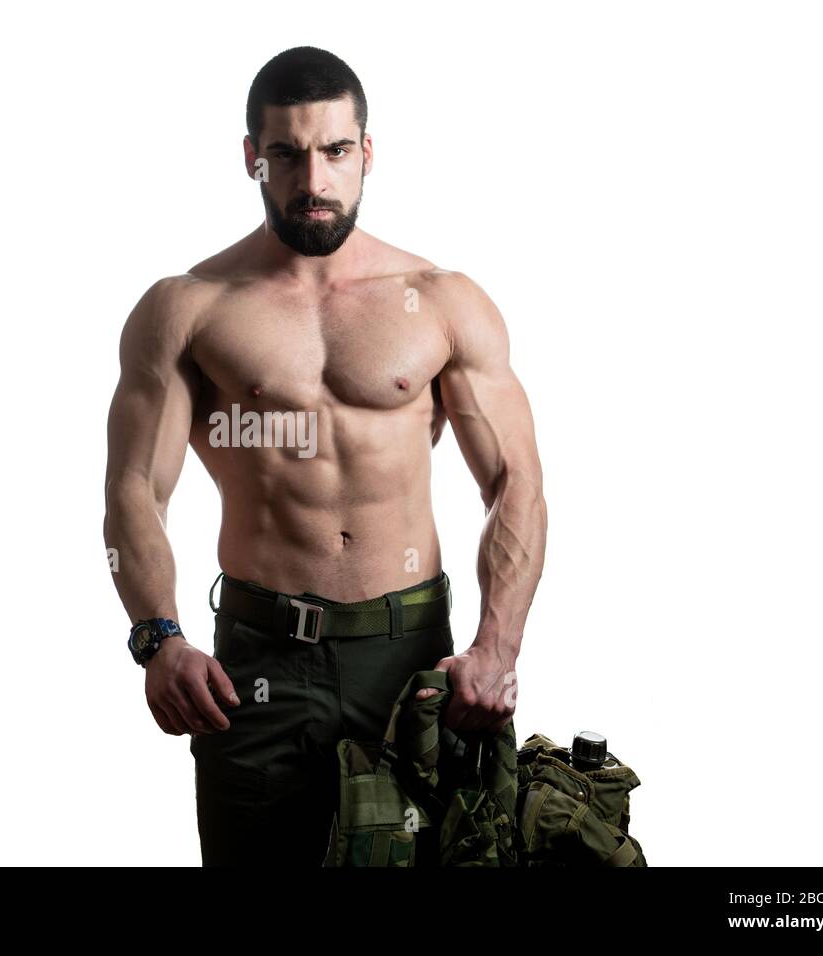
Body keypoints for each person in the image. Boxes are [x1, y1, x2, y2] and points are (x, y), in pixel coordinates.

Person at [103, 46, 548, 866]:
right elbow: (135, 487)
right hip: (258, 661)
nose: (313, 179)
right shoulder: (188, 309)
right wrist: (157, 637)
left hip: (412, 656)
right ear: (252, 157)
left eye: (336, 151)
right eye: (287, 154)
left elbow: (515, 480)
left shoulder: (444, 301)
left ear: (367, 153)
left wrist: (498, 646)